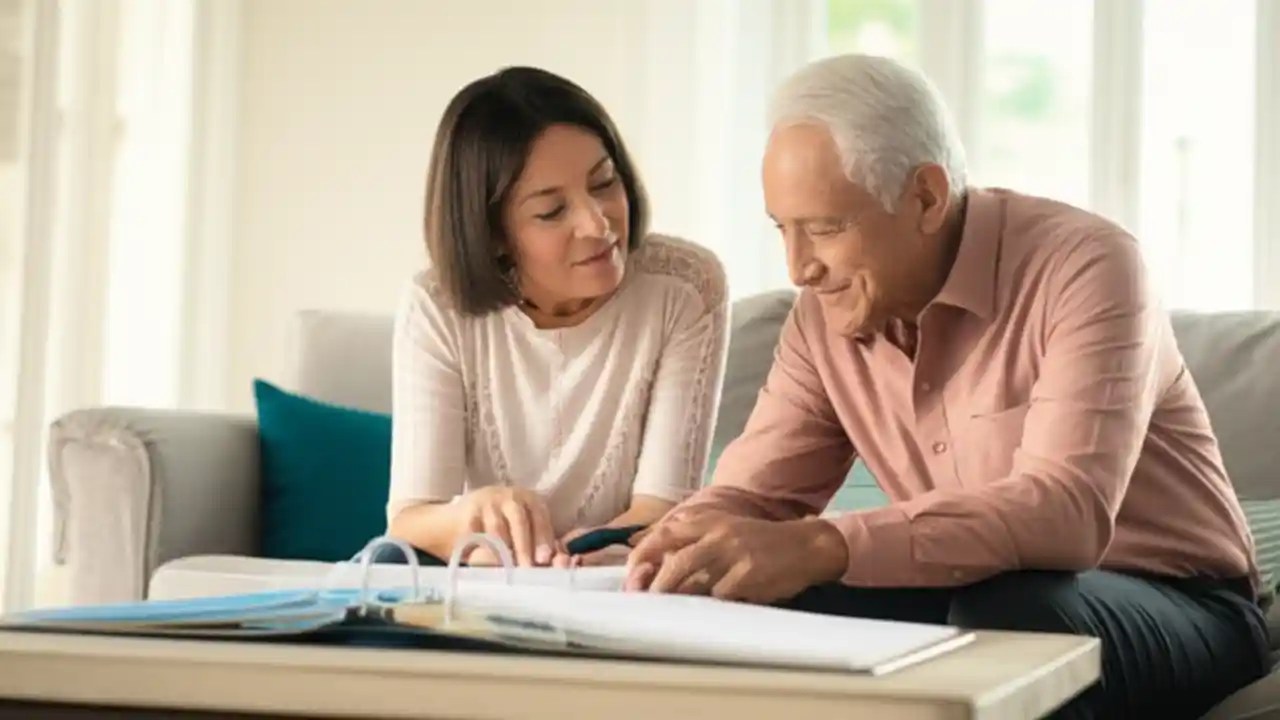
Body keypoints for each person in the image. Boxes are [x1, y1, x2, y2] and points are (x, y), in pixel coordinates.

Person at [626, 54, 1269, 718]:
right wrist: (669, 549)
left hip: (1184, 605)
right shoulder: (824, 316)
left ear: (926, 197)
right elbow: (751, 497)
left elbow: (1064, 513)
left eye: (824, 228)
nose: (799, 268)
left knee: (1013, 616)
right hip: (969, 594)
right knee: (752, 594)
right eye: (782, 230)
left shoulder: (1088, 266)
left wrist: (825, 543)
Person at [387, 67, 728, 568]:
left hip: (619, 577)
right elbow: (412, 519)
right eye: (551, 211)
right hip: (483, 580)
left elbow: (662, 508)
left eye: (605, 183)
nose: (597, 224)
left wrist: (574, 559)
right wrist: (472, 514)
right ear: (492, 234)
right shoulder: (436, 305)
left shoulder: (684, 287)